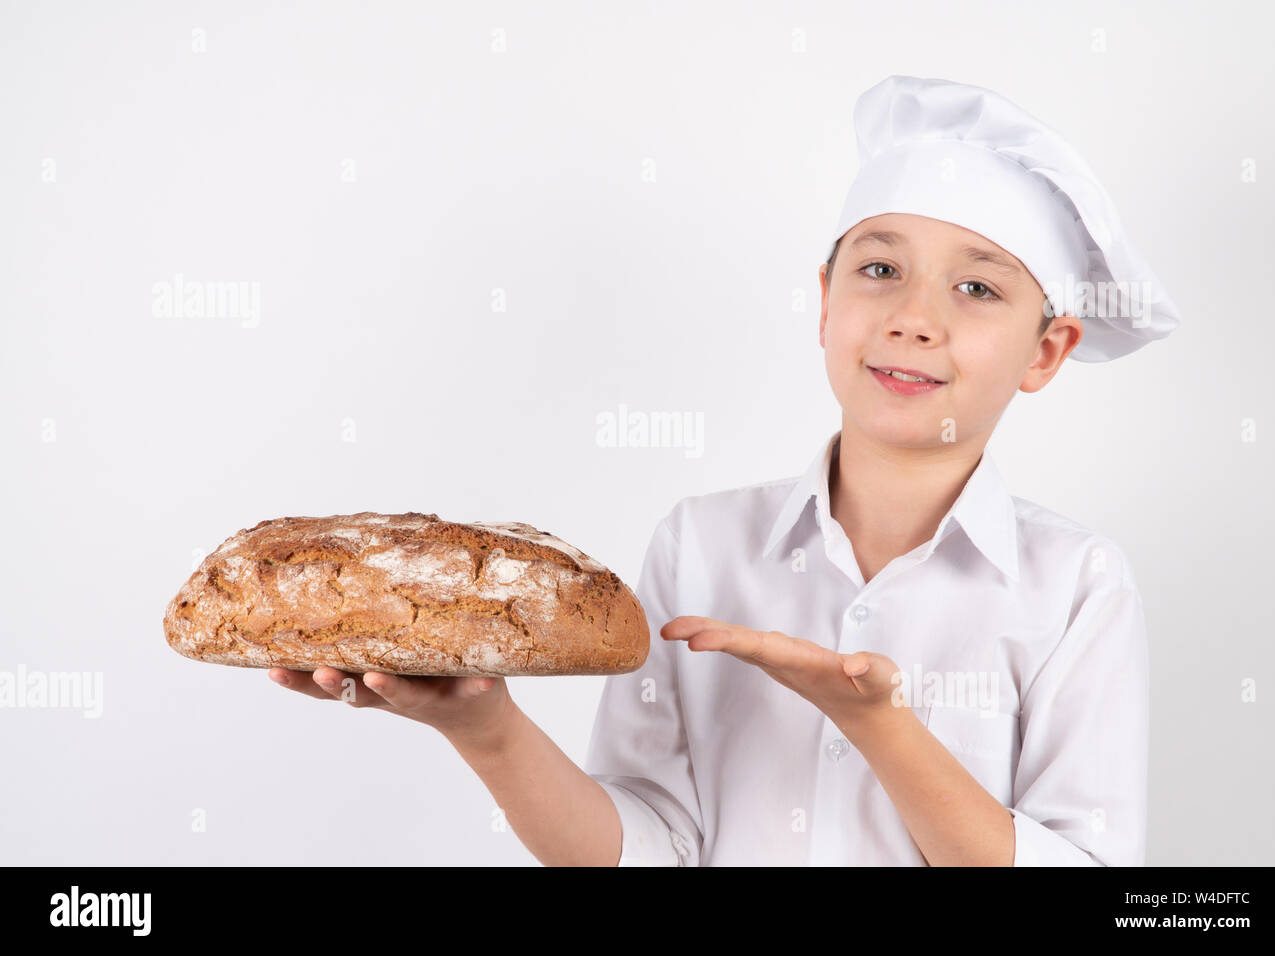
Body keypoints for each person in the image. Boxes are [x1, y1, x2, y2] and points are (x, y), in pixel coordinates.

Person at [270, 75, 1180, 866]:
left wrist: (878, 728)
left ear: (1048, 350)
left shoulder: (1076, 588)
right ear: (826, 303)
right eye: (879, 268)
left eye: (977, 287)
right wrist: (484, 726)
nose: (913, 317)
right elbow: (648, 848)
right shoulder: (703, 545)